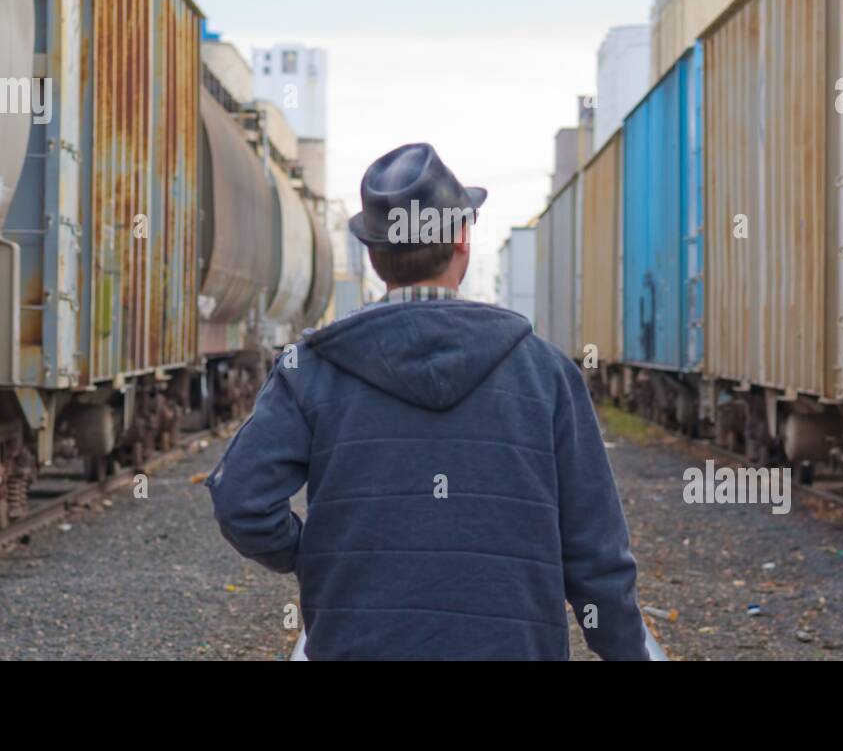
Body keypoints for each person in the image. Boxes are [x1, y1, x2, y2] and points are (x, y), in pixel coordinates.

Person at [208, 142, 648, 660]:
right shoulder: (546, 374)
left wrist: (317, 559)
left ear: (374, 256)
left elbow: (241, 499)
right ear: (462, 239)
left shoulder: (312, 369)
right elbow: (596, 555)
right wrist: (627, 652)